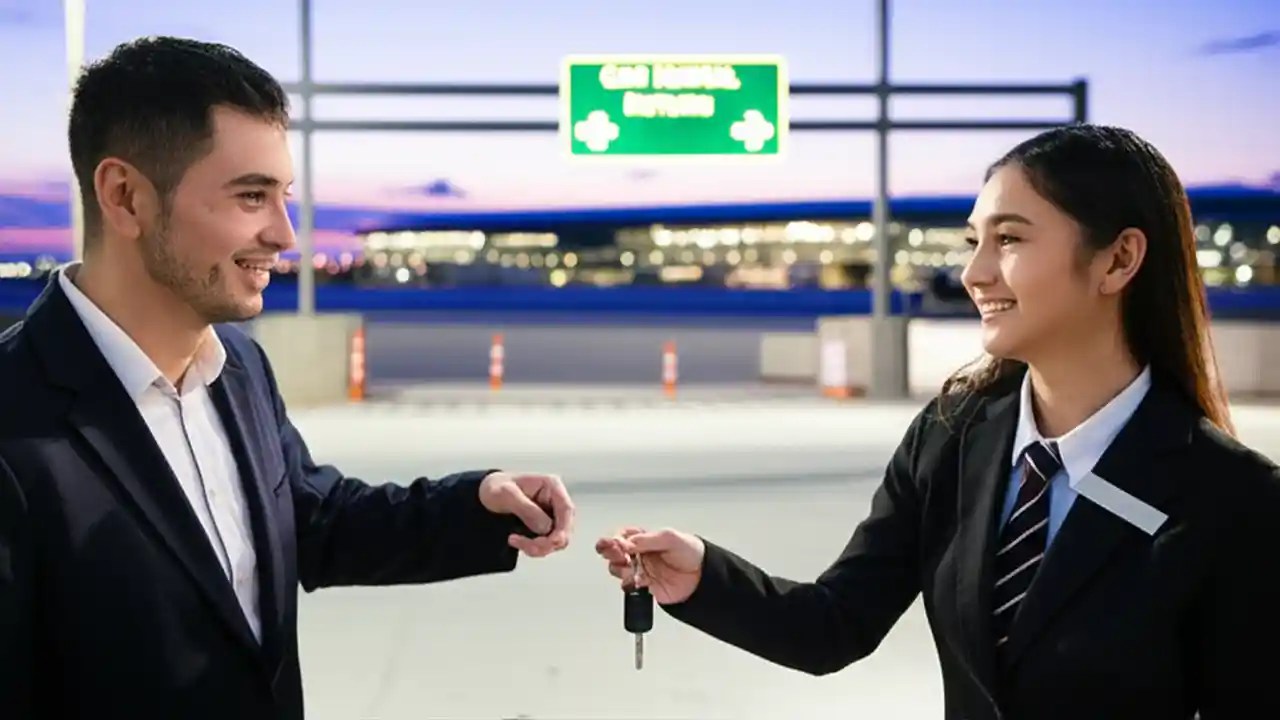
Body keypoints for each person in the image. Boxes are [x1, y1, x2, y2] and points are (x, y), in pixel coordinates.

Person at [597, 124, 1280, 719]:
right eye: (972, 240)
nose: (974, 273)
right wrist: (702, 577)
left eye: (1009, 239)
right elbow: (833, 626)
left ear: (1118, 259)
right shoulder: (954, 435)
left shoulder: (1235, 499)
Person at [0, 36, 575, 720]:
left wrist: (477, 506)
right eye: (252, 197)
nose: (286, 234)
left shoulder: (239, 369)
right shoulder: (16, 419)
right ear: (125, 197)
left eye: (284, 197)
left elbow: (312, 518)